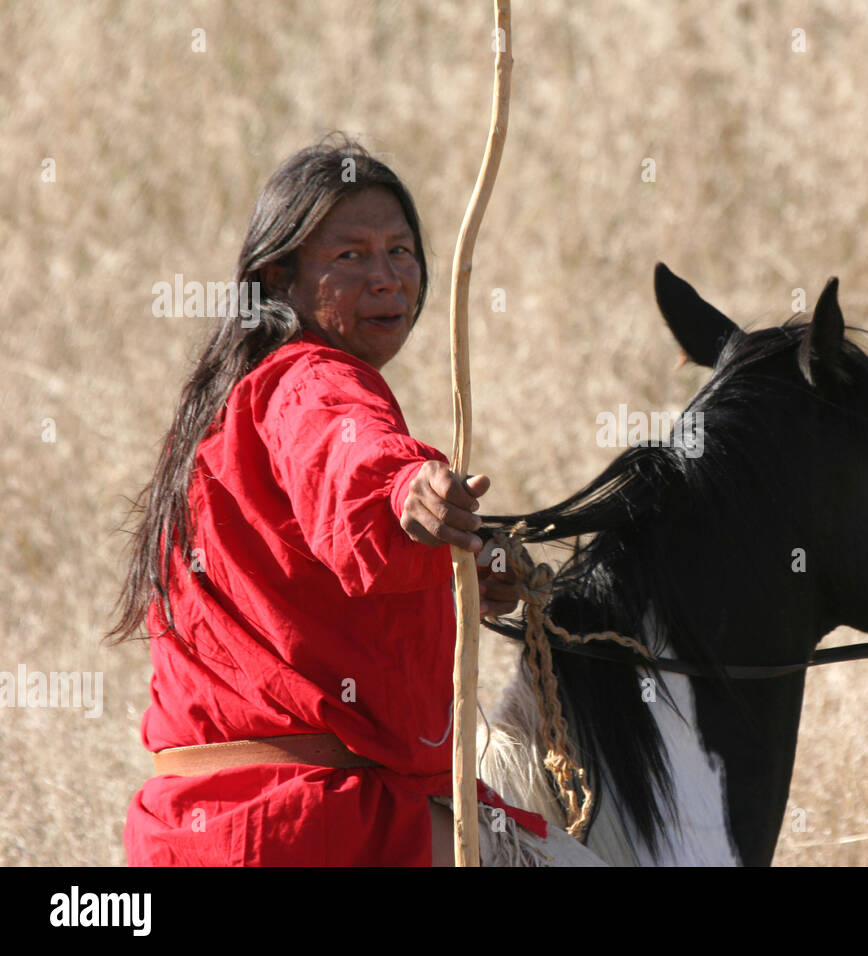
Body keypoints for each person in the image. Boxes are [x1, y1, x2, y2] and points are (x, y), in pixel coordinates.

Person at [109, 137, 599, 866]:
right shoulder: (313, 380)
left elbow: (320, 587)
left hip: (193, 831)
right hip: (312, 823)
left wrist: (462, 578)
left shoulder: (230, 405)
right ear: (280, 277)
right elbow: (355, 464)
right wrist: (410, 494)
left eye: (401, 252)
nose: (387, 279)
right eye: (351, 257)